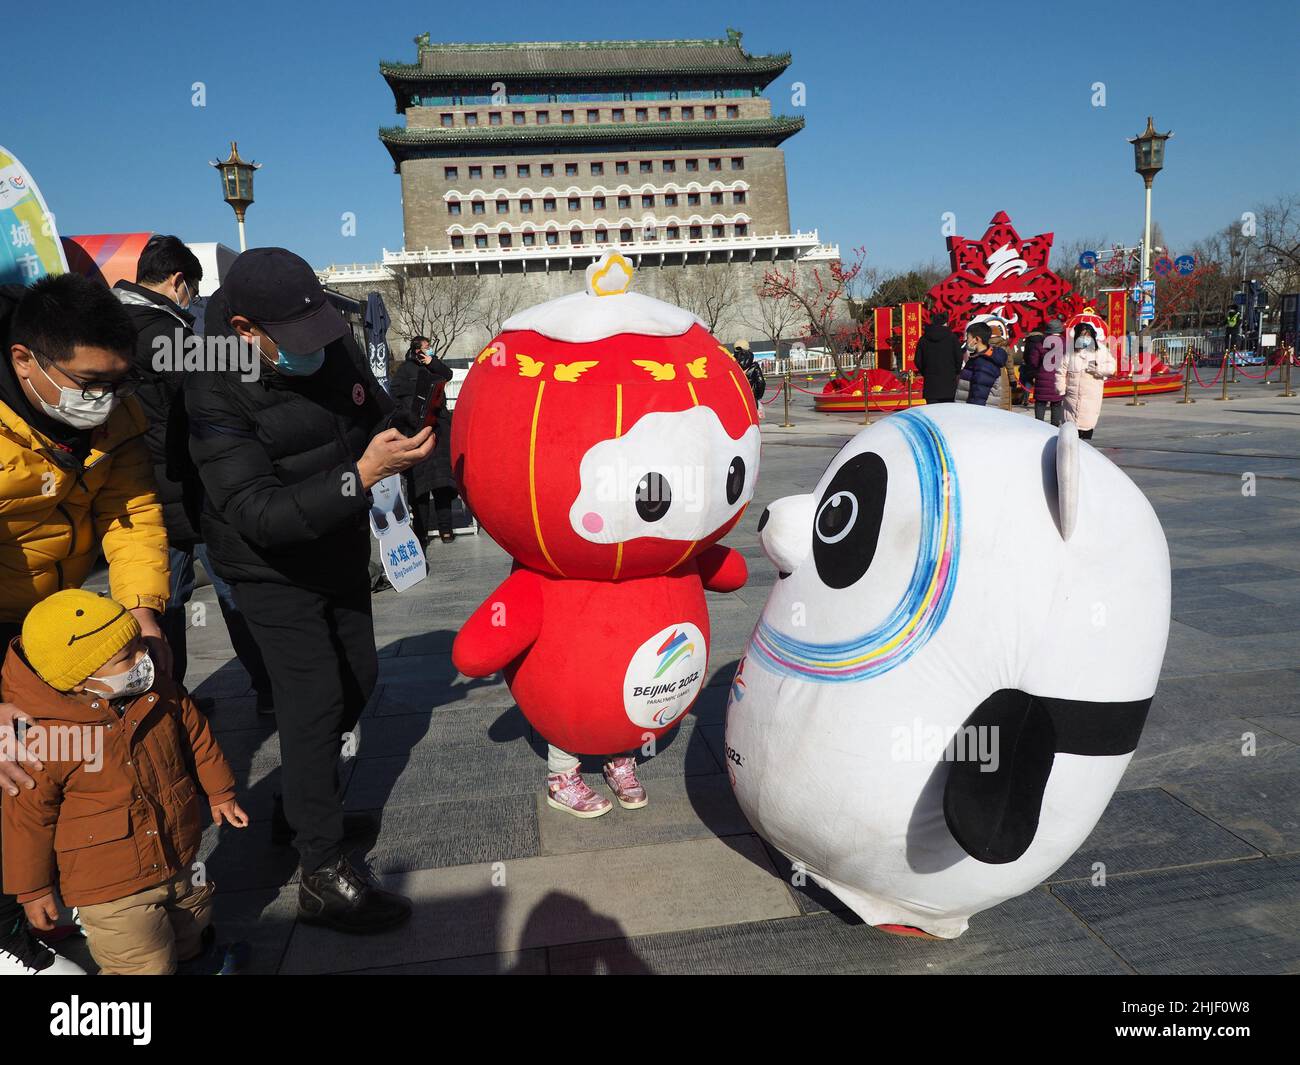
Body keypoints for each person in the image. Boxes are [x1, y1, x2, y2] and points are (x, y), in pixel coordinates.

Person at [185, 248, 435, 934]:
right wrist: (361, 472)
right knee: (312, 698)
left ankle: (299, 808)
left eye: (322, 335)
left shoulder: (324, 339)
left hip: (337, 546)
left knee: (359, 678)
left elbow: (377, 408)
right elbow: (257, 510)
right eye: (297, 344)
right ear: (243, 330)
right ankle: (321, 873)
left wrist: (408, 431)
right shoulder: (212, 388)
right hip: (268, 565)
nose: (317, 353)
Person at [0, 273, 171, 974]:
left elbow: (131, 515)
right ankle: (11, 932)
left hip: (50, 619)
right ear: (23, 361)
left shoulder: (111, 417)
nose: (103, 398)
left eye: (119, 381)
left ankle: (51, 897)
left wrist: (145, 614)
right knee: (9, 761)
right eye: (89, 380)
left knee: (55, 758)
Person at [2, 590, 247, 975]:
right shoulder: (47, 738)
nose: (142, 659)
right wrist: (32, 889)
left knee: (191, 921)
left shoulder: (157, 691)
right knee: (142, 961)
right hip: (109, 885)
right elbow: (27, 819)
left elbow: (197, 738)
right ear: (80, 678)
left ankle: (198, 960)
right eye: (126, 657)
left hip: (175, 851)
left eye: (138, 646)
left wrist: (220, 791)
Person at [113, 235, 272, 710]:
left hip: (137, 491)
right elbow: (223, 378)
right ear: (178, 281)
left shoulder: (114, 326)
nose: (193, 302)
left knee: (156, 599)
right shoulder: (162, 330)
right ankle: (269, 688)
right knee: (231, 584)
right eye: (193, 291)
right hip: (184, 488)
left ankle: (166, 699)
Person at [389, 336, 457, 548]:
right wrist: (412, 419)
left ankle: (446, 529)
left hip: (438, 432)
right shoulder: (404, 372)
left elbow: (448, 374)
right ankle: (420, 534)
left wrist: (432, 362)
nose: (430, 350)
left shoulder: (434, 368)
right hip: (414, 434)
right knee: (418, 488)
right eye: (427, 348)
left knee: (442, 484)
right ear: (416, 350)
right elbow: (397, 400)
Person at [1058, 321, 1116, 440]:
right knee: (1070, 430)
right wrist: (1060, 387)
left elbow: (1111, 368)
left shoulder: (1100, 350)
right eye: (1082, 335)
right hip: (1071, 397)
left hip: (1091, 396)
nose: (1085, 338)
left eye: (1088, 335)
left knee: (1086, 427)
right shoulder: (1070, 351)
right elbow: (1061, 370)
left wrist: (1098, 369)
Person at [912, 312, 963, 403]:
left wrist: (926, 372)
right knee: (947, 414)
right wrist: (955, 372)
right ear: (946, 323)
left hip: (931, 384)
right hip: (949, 383)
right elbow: (959, 358)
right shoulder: (952, 338)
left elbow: (917, 360)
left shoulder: (923, 339)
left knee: (932, 414)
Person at [1022, 324, 1064, 426]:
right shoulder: (1066, 344)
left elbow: (1033, 362)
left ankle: (1039, 426)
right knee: (1057, 404)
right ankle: (1054, 427)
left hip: (1042, 377)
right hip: (1059, 378)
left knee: (1040, 403)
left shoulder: (1040, 344)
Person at [959, 322, 1008, 406]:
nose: (966, 340)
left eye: (968, 337)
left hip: (976, 412)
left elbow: (978, 396)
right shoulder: (977, 358)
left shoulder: (984, 363)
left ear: (977, 339)